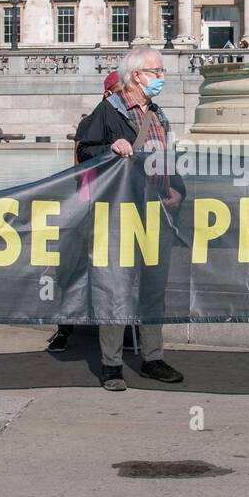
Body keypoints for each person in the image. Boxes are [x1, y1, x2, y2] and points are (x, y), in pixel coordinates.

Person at [75, 47, 185, 390]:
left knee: (153, 287)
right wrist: (112, 148)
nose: (162, 77)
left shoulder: (157, 113)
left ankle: (153, 358)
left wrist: (178, 189)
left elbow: (168, 158)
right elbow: (84, 150)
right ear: (137, 75)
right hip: (119, 212)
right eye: (157, 71)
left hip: (155, 212)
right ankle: (111, 365)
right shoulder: (109, 110)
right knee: (115, 287)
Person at [49, 71, 137, 356]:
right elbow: (80, 165)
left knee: (119, 273)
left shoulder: (132, 120)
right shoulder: (92, 122)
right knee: (78, 270)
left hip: (117, 207)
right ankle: (65, 328)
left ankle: (124, 328)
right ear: (108, 93)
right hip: (91, 205)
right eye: (119, 90)